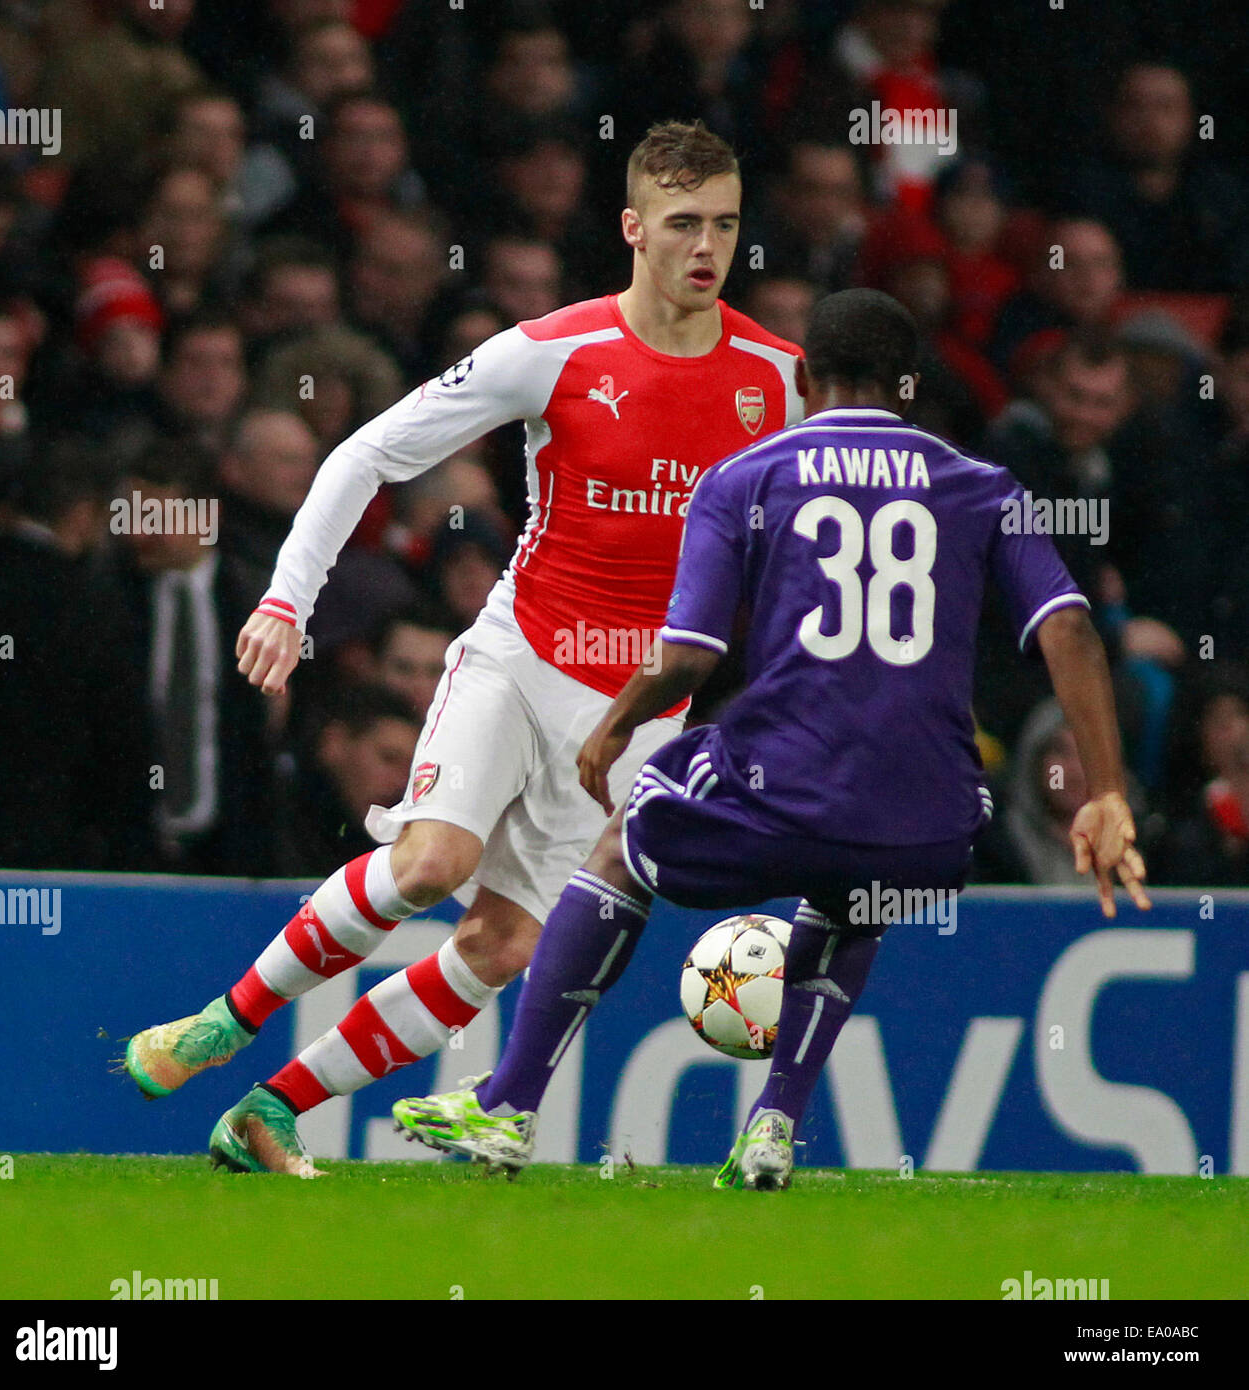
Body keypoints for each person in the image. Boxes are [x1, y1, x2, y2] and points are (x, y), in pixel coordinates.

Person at [122, 119, 805, 1175]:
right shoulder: (552, 352)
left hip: (634, 709)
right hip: (519, 658)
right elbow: (366, 454)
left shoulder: (777, 379)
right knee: (429, 861)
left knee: (504, 944)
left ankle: (271, 1108)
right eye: (680, 224)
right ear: (631, 227)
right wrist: (283, 601)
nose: (703, 247)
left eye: (721, 223)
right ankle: (222, 1019)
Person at [392, 288, 1151, 1190]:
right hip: (934, 821)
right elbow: (1068, 629)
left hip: (781, 780)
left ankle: (508, 1104)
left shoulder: (745, 476)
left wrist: (614, 724)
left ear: (800, 376)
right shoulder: (982, 487)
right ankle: (774, 1127)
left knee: (618, 845)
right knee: (854, 882)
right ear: (907, 388)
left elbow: (687, 657)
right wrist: (1106, 791)